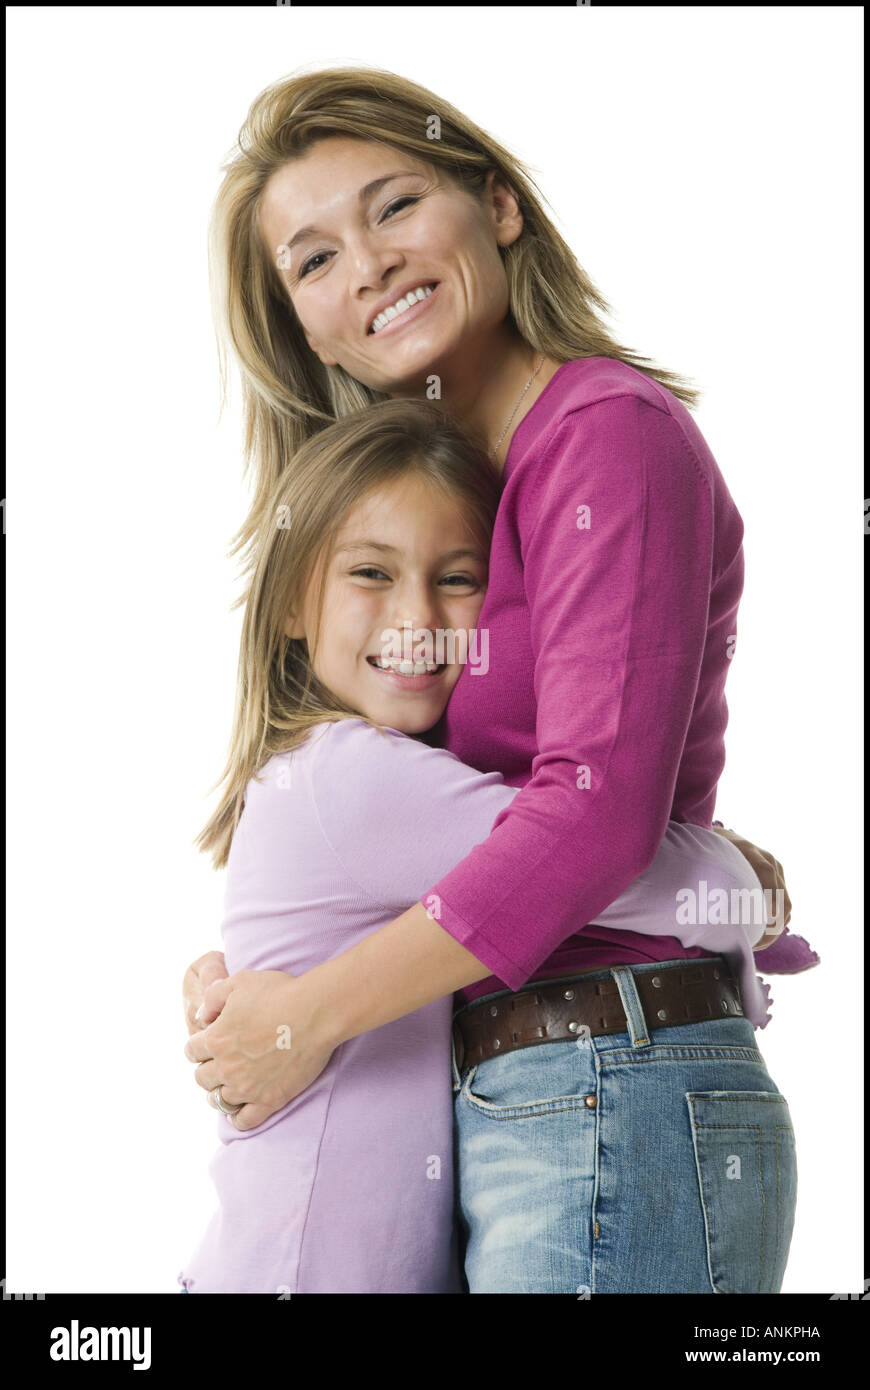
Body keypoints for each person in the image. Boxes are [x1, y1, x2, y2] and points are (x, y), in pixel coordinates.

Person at [183, 68, 819, 1293]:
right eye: (312, 261)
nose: (364, 266)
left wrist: (304, 1017)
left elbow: (586, 817)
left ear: (500, 208)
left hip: (612, 1076)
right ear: (301, 328)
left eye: (395, 205)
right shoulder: (470, 491)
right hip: (534, 1090)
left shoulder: (606, 438)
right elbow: (474, 832)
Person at [180, 400, 786, 1293]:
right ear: (290, 609)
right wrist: (742, 882)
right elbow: (580, 863)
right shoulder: (350, 775)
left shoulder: (332, 774)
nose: (417, 614)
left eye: (457, 580)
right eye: (371, 572)